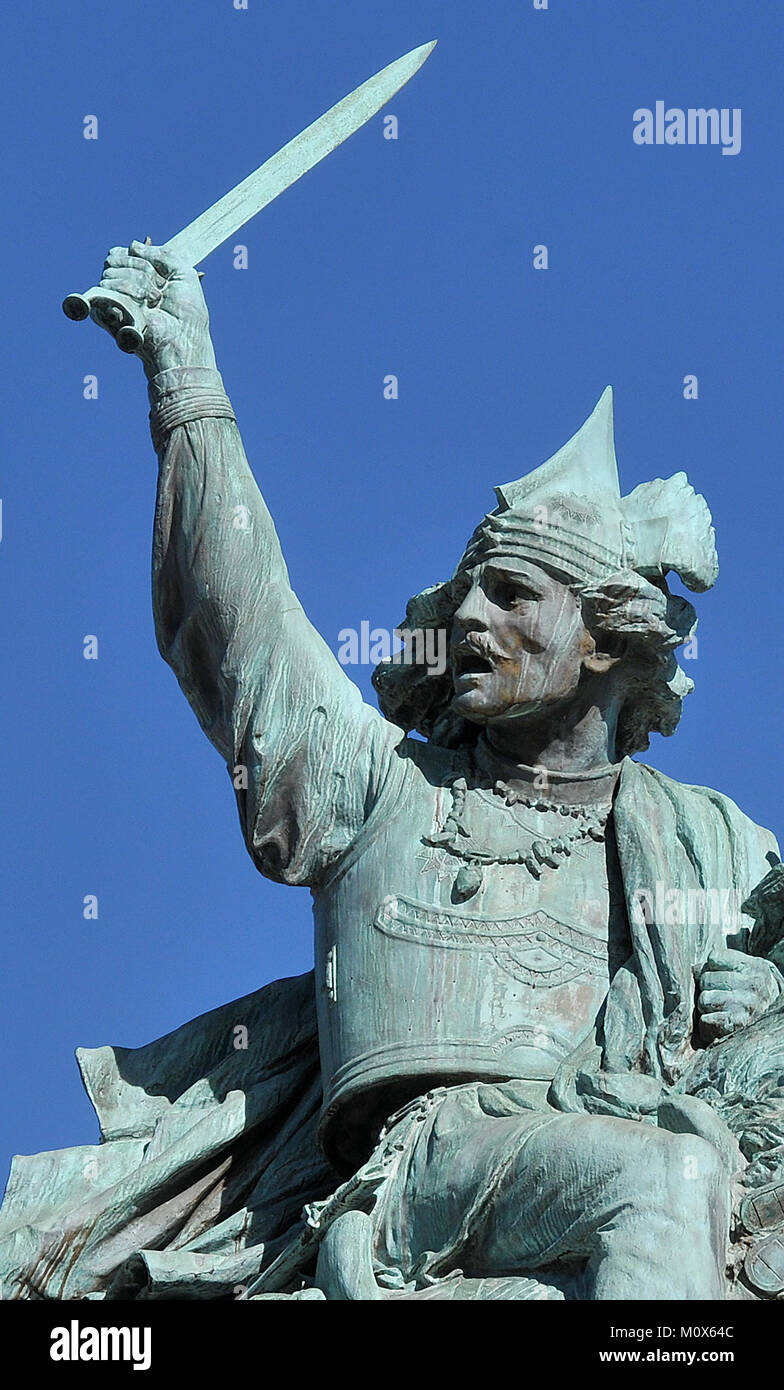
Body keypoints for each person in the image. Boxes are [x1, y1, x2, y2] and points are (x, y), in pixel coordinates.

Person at [2, 242, 782, 1300]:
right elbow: (242, 627)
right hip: (423, 1167)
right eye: (466, 593)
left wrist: (767, 987)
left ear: (603, 638)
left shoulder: (720, 845)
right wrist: (187, 380)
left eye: (510, 594)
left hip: (606, 1169)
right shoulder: (383, 789)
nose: (466, 615)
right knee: (666, 1179)